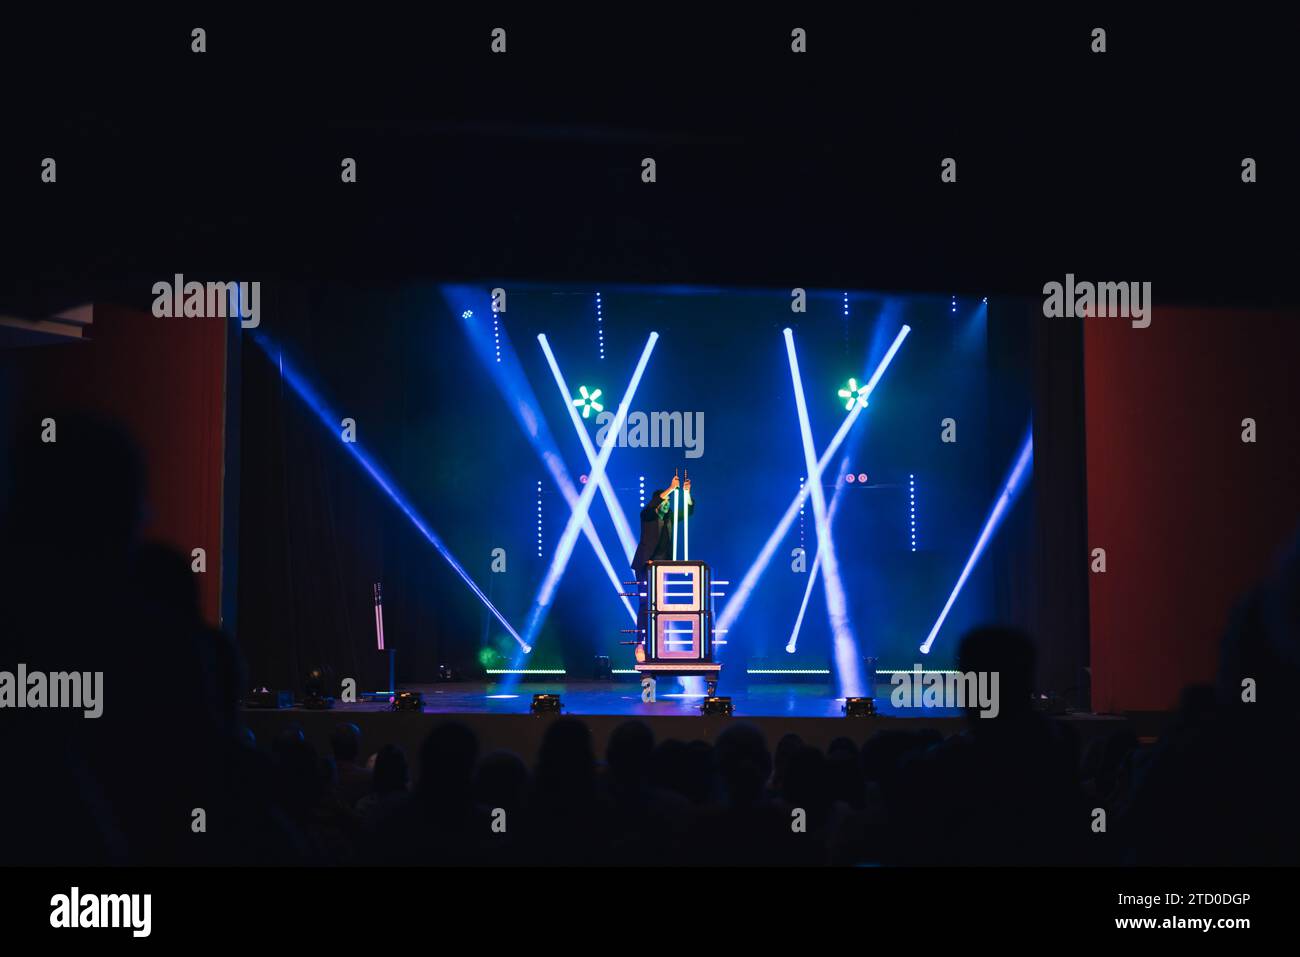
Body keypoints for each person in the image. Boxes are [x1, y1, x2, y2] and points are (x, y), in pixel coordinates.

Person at [630, 473, 694, 653]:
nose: (667, 505)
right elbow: (654, 503)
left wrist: (686, 493)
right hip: (645, 565)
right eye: (664, 502)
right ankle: (640, 643)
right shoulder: (647, 515)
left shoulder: (669, 519)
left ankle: (658, 643)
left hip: (661, 568)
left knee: (660, 604)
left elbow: (688, 511)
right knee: (645, 603)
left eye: (668, 503)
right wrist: (671, 488)